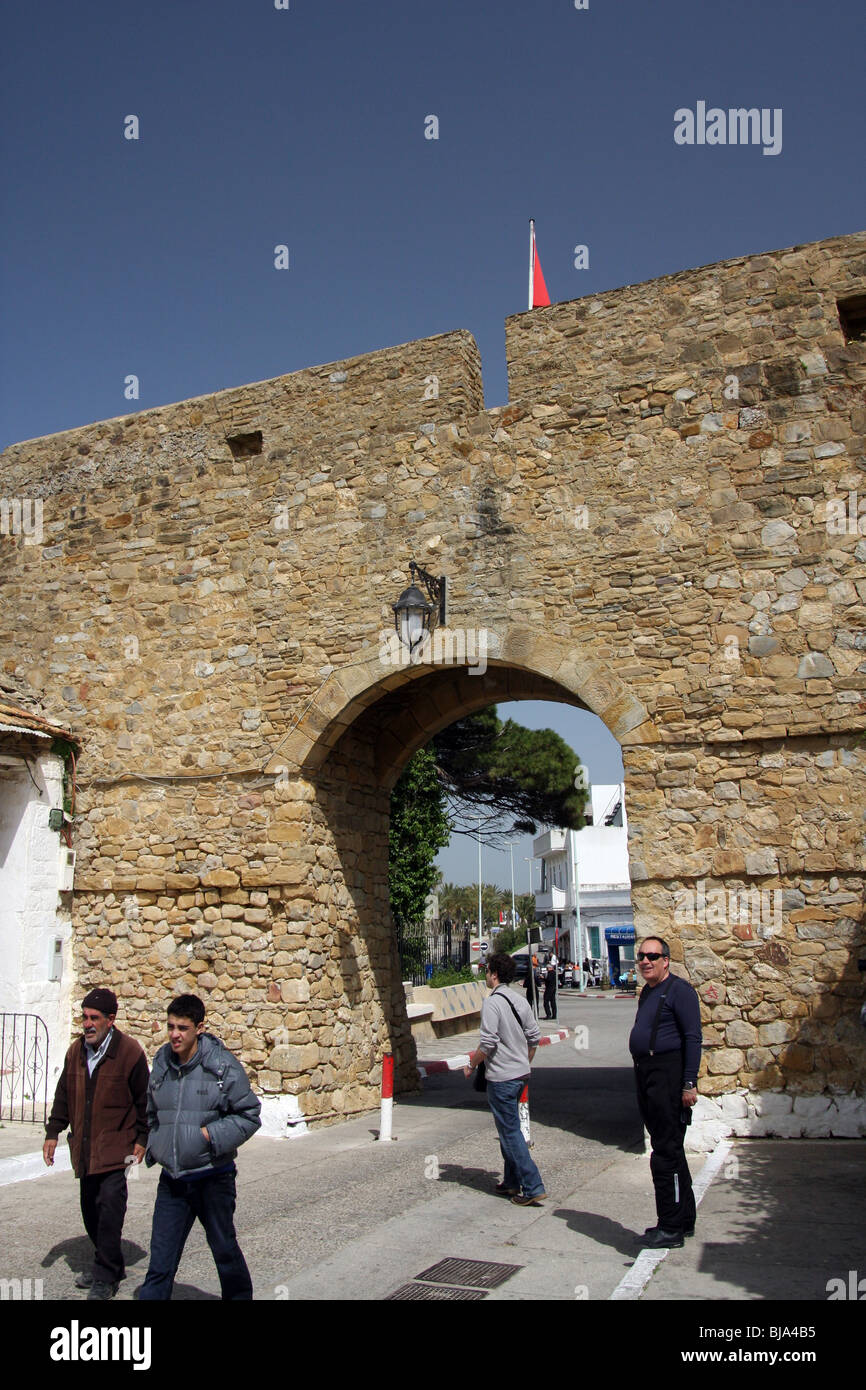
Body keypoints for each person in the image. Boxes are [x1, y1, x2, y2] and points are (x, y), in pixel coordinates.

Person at [137, 994, 261, 1300]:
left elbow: (249, 1115)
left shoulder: (221, 1066)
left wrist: (208, 1136)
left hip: (213, 1178)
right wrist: (157, 1143)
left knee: (224, 1250)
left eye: (182, 1027)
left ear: (199, 1028)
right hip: (173, 1181)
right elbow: (151, 1111)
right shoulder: (162, 1063)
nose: (174, 1034)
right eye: (170, 1026)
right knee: (161, 1260)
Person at [43, 987, 149, 1300]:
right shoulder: (76, 1051)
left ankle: (105, 1276)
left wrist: (143, 1138)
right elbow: (64, 1093)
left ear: (110, 1020)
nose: (87, 1024)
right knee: (90, 1211)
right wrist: (53, 1132)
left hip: (119, 1149)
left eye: (94, 1018)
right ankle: (112, 1265)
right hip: (85, 1149)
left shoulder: (129, 1052)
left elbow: (144, 1100)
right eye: (84, 1017)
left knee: (110, 1210)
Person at [628, 937, 702, 1249]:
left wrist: (688, 1083)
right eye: (641, 956)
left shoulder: (679, 991)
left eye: (652, 956)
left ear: (666, 960)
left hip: (668, 1075)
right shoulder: (648, 991)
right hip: (647, 1073)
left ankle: (670, 1227)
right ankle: (684, 1218)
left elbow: (693, 1037)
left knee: (665, 1155)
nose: (646, 961)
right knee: (670, 1148)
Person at [463, 953, 546, 1207]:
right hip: (521, 1074)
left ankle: (533, 1186)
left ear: (494, 974)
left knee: (509, 1132)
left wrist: (471, 1064)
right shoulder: (520, 1001)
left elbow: (488, 1043)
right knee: (508, 1128)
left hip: (501, 1077)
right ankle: (511, 1181)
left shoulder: (492, 1003)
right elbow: (534, 1036)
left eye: (487, 970)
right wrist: (524, 1061)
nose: (486, 975)